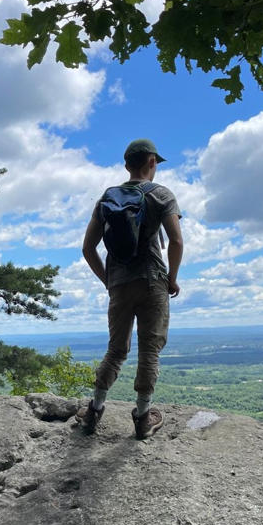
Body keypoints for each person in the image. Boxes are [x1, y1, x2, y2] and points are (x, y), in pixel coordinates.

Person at [76, 138, 184, 439]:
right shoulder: (161, 195)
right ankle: (142, 416)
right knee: (149, 350)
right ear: (152, 162)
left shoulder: (107, 198)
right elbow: (175, 241)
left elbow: (88, 248)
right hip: (152, 281)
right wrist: (172, 278)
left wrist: (108, 280)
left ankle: (94, 411)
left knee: (116, 349)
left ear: (127, 165)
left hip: (119, 285)